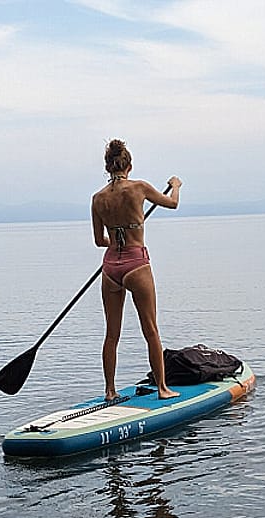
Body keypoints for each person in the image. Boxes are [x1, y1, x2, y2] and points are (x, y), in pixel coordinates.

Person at [91, 139, 182, 400]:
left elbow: (99, 241)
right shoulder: (139, 187)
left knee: (112, 334)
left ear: (108, 168)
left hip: (110, 268)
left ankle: (110, 391)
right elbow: (172, 203)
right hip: (136, 264)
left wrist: (116, 242)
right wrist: (175, 186)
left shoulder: (98, 199)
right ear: (129, 166)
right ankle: (163, 389)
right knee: (151, 330)